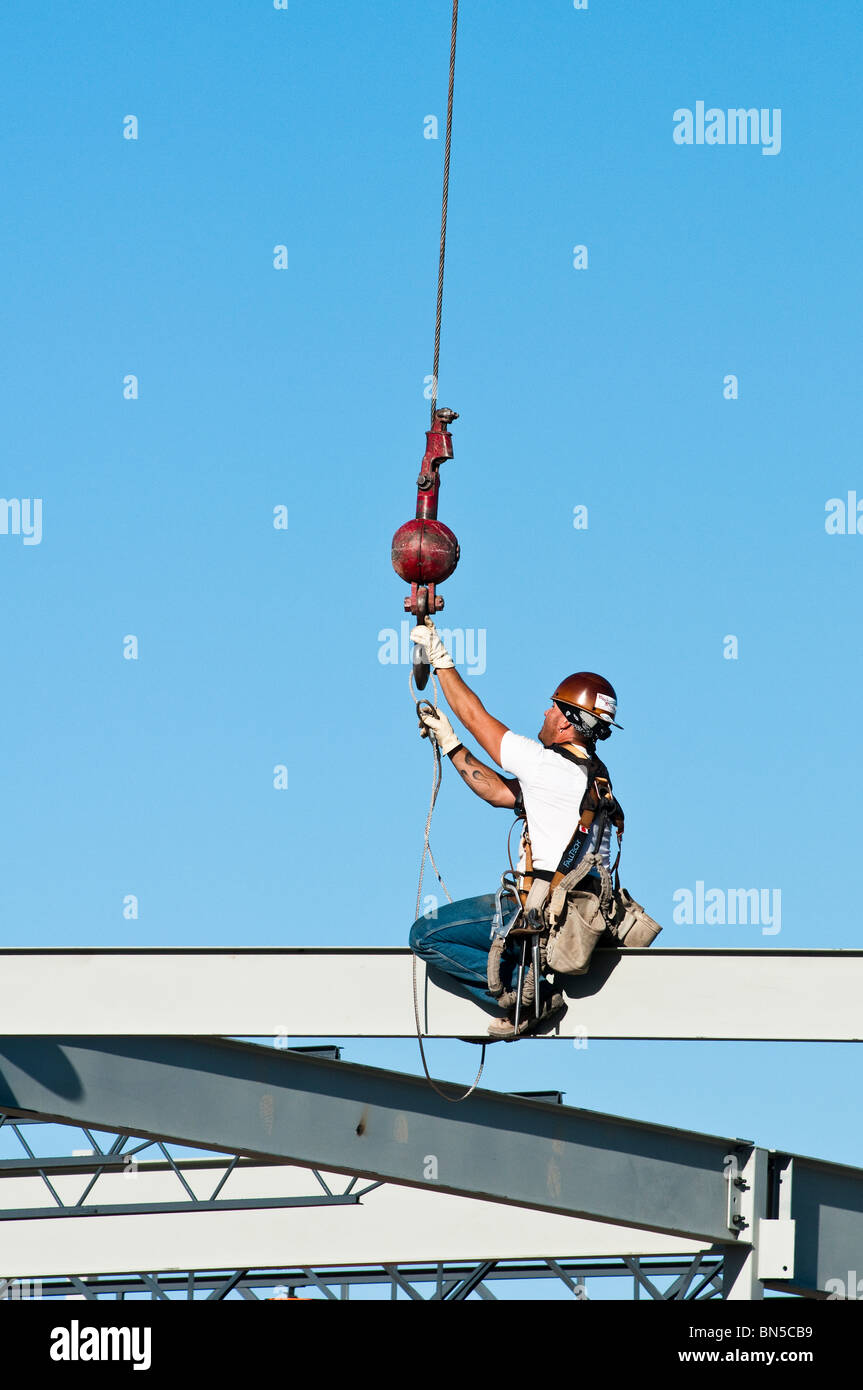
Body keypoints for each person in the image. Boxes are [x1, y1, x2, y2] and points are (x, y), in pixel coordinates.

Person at [408, 618, 622, 1039]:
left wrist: (439, 657)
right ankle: (523, 982)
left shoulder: (546, 765)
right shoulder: (591, 778)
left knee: (425, 935)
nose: (545, 712)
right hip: (564, 915)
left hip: (533, 910)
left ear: (566, 721)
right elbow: (498, 794)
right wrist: (449, 742)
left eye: (553, 707)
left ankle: (518, 993)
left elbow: (476, 716)